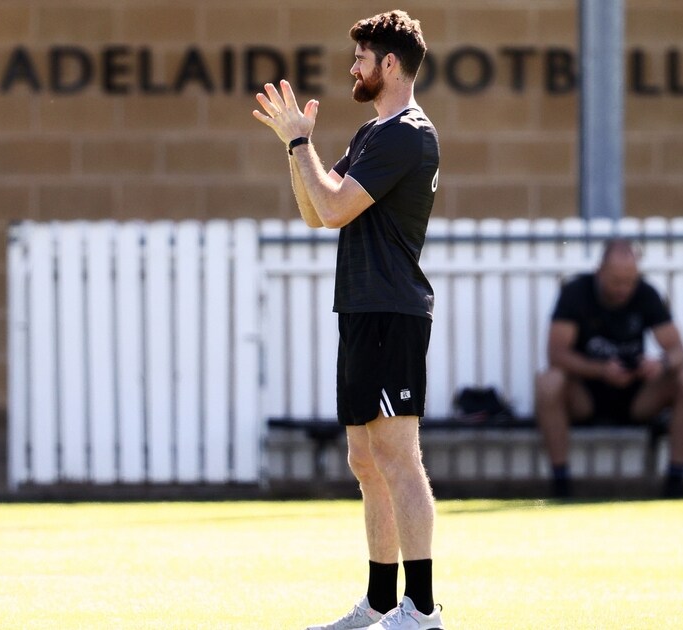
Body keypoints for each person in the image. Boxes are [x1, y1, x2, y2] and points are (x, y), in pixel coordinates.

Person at [251, 10, 444, 630]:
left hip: (391, 310)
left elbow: (333, 209)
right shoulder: (371, 132)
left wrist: (300, 143)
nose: (352, 68)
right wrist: (295, 146)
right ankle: (382, 602)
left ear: (389, 63)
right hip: (362, 308)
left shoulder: (406, 134)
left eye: (361, 58)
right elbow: (316, 210)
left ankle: (423, 609)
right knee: (365, 458)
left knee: (397, 455)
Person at [534, 239, 683, 499]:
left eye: (630, 281)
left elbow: (679, 352)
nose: (623, 288)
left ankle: (675, 482)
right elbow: (555, 354)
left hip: (637, 397)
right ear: (599, 271)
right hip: (585, 396)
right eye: (616, 281)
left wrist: (660, 364)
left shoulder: (646, 294)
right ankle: (561, 484)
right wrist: (601, 370)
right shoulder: (575, 293)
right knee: (548, 381)